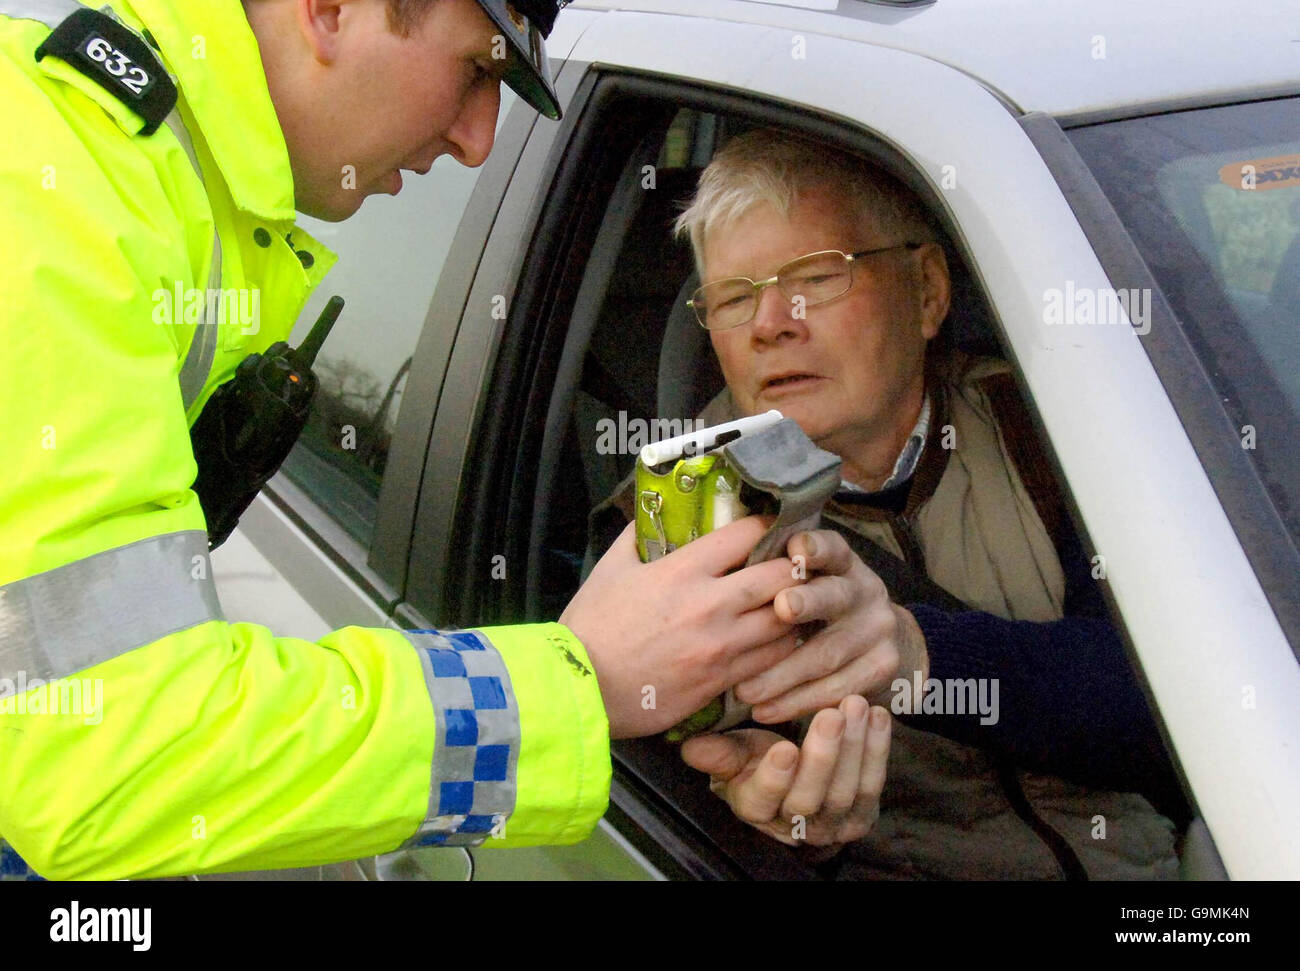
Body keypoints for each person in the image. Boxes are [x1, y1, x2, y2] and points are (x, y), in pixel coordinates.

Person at [0, 0, 867, 880]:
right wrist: (583, 682)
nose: (479, 142)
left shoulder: (138, 174)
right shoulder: (46, 204)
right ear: (330, 10)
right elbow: (112, 758)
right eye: (477, 71)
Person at [592, 128, 1187, 877]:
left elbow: (1172, 705)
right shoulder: (665, 531)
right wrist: (774, 816)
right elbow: (657, 805)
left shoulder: (1047, 433)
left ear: (929, 291)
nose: (771, 323)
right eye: (735, 298)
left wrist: (921, 655)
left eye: (814, 275)